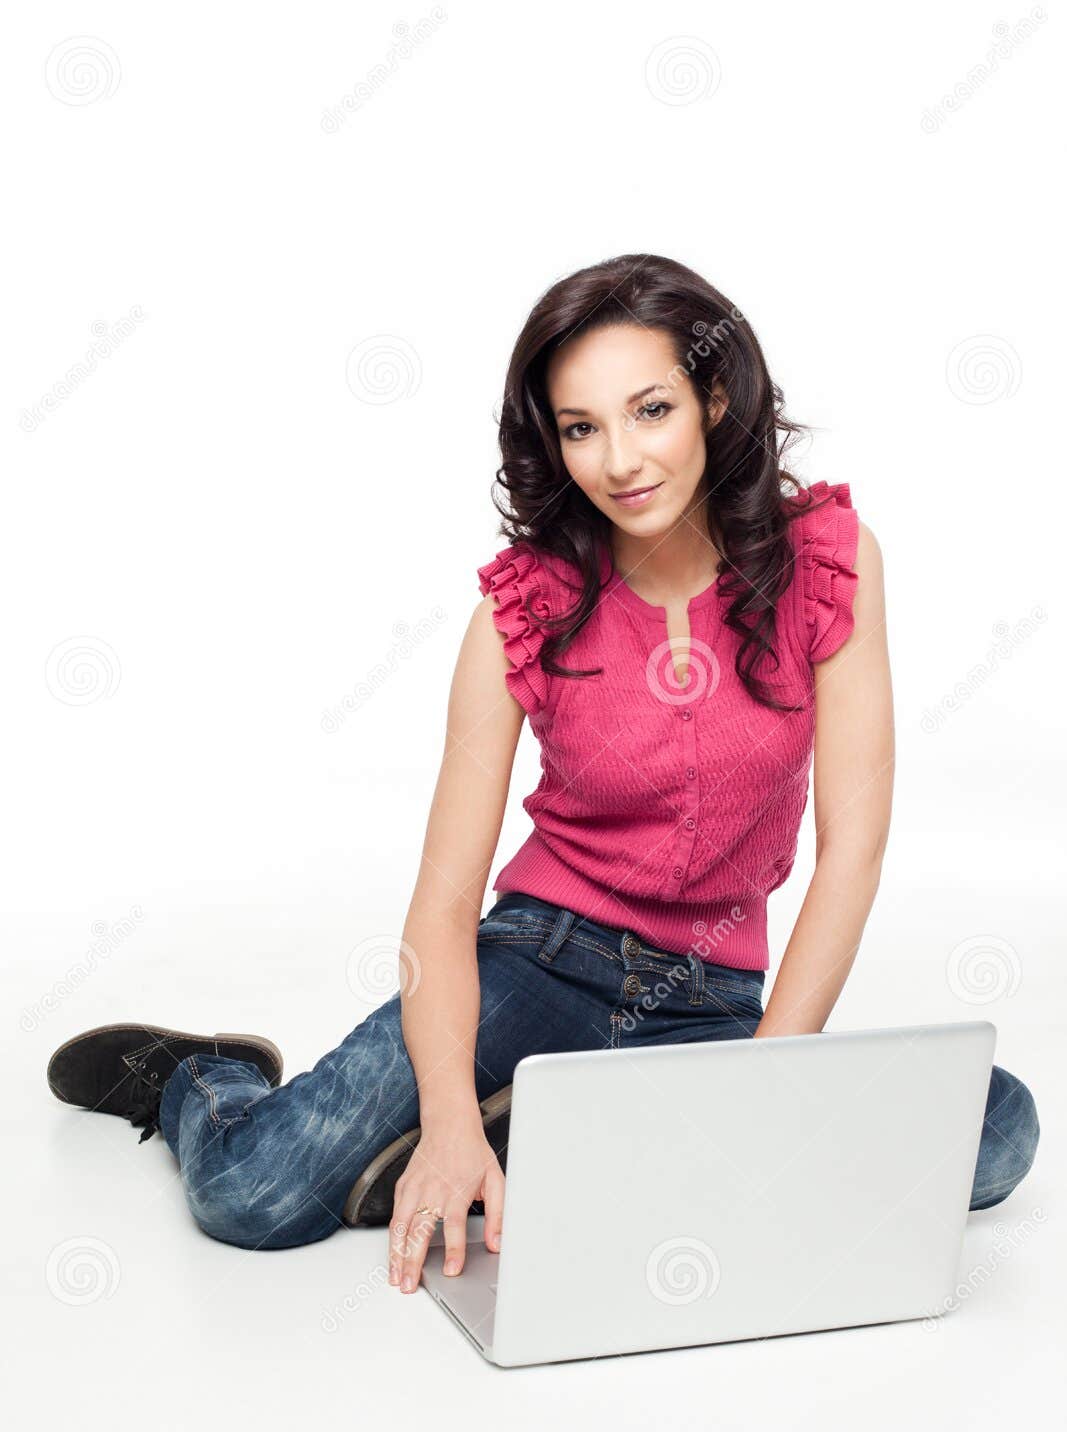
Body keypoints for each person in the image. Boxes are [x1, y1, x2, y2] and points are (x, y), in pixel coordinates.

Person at [45, 253, 1040, 1294]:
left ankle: (548, 1136)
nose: (619, 459)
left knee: (992, 1130)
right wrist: (438, 1128)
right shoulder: (521, 609)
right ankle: (213, 1079)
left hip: (714, 1002)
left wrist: (766, 1086)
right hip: (535, 968)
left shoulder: (823, 563)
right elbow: (439, 909)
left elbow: (853, 847)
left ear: (711, 398)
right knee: (251, 1191)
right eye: (580, 427)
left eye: (648, 409)